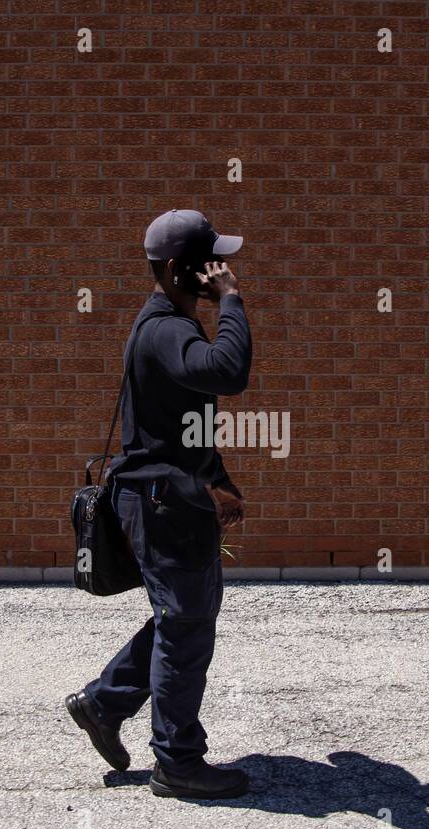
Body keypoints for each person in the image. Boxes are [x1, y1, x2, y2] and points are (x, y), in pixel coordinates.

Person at [66, 209, 253, 799]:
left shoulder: (171, 326)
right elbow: (229, 372)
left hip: (174, 495)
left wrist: (216, 477)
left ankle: (104, 703)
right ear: (181, 269)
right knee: (186, 624)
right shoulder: (168, 330)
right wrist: (232, 300)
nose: (222, 268)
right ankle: (176, 761)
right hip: (161, 504)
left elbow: (186, 421)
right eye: (212, 261)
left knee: (185, 617)